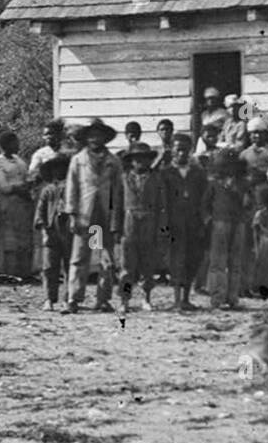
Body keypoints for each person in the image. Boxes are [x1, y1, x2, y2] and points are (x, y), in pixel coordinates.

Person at [61, 118, 123, 314]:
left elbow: (118, 192)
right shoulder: (78, 160)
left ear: (105, 138)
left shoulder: (113, 162)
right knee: (79, 258)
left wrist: (115, 219)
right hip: (84, 215)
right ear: (86, 138)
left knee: (105, 259)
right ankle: (73, 298)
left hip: (103, 217)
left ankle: (103, 299)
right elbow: (71, 189)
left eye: (99, 135)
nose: (95, 139)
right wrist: (71, 214)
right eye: (92, 135)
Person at [118, 142, 167, 314]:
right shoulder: (124, 178)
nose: (140, 163)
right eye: (136, 159)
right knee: (127, 266)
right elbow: (116, 205)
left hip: (149, 222)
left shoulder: (155, 178)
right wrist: (115, 228)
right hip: (129, 222)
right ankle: (125, 300)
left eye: (144, 159)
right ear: (131, 161)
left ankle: (146, 298)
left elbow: (162, 206)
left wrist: (162, 229)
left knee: (148, 264)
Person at [161, 131, 207, 311]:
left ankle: (186, 298)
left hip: (193, 222)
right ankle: (177, 299)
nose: (182, 153)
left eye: (186, 150)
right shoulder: (166, 173)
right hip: (174, 223)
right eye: (178, 149)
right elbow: (162, 201)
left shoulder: (197, 173)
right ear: (172, 150)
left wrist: (203, 221)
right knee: (176, 259)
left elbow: (204, 199)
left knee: (191, 258)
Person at [206, 150, 252, 310]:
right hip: (219, 223)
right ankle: (217, 298)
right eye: (225, 166)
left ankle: (233, 297)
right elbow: (205, 204)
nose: (229, 169)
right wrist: (209, 221)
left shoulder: (243, 183)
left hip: (238, 223)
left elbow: (249, 204)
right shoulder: (213, 183)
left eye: (232, 166)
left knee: (235, 262)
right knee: (218, 262)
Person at [0, 130, 35, 281]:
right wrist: (19, 188)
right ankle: (7, 271)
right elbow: (3, 186)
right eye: (13, 142)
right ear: (5, 145)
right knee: (8, 238)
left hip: (22, 202)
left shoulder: (19, 161)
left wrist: (27, 187)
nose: (17, 145)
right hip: (7, 202)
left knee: (23, 236)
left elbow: (27, 177)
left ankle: (23, 271)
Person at [33, 152, 72, 311]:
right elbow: (40, 211)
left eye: (62, 168)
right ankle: (49, 298)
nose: (58, 171)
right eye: (55, 169)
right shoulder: (47, 190)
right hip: (51, 230)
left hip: (69, 230)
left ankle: (68, 298)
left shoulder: (72, 188)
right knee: (49, 266)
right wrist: (42, 225)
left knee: (70, 266)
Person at [28, 119, 68, 184]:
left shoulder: (67, 152)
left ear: (59, 134)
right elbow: (32, 174)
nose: (48, 137)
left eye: (51, 133)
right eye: (45, 135)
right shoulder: (40, 154)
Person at [240, 118, 268, 189]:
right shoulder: (245, 154)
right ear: (250, 135)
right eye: (254, 133)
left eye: (260, 133)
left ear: (266, 134)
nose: (257, 136)